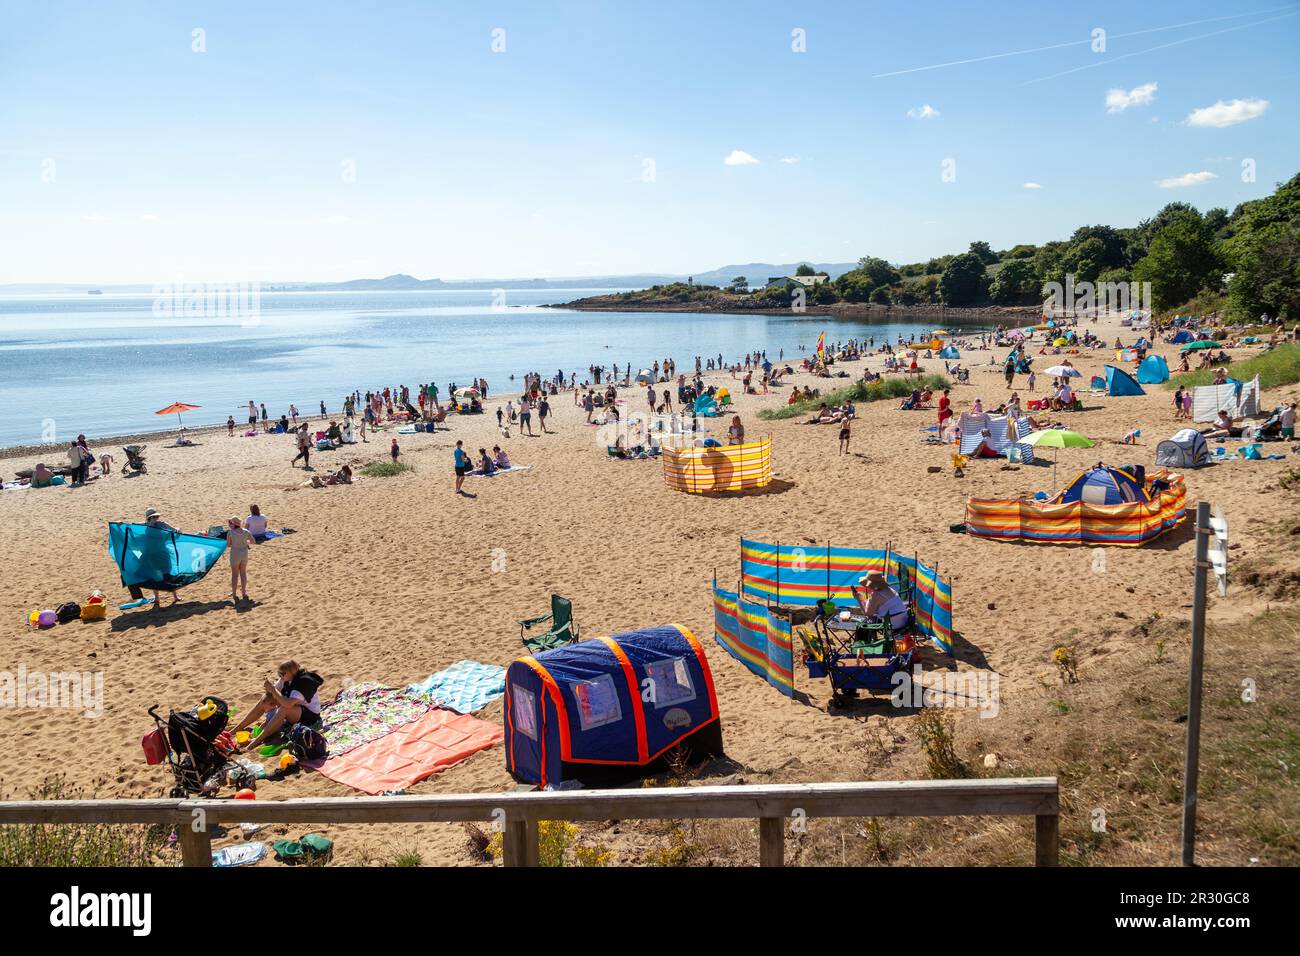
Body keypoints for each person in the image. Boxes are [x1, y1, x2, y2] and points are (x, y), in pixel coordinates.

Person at [232, 660, 324, 747]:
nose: (280, 676)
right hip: (297, 710)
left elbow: (288, 704)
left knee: (284, 708)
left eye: (282, 674)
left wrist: (273, 690)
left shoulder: (303, 683)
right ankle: (238, 727)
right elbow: (273, 693)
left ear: (291, 673)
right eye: (278, 673)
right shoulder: (286, 678)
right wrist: (269, 690)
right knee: (265, 700)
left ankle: (257, 740)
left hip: (310, 717)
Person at [225, 516, 255, 604]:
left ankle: (234, 594)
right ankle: (244, 592)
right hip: (244, 554)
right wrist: (246, 542)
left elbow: (228, 545)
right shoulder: (246, 532)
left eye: (230, 523)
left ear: (234, 524)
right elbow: (253, 541)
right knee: (243, 573)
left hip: (235, 555)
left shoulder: (230, 533)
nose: (229, 525)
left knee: (235, 575)